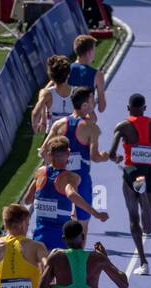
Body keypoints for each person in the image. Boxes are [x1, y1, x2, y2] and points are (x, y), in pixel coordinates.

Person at [107, 93, 151, 276]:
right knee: (149, 227)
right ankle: (144, 195)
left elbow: (111, 153)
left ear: (128, 108)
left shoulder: (122, 126)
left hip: (131, 173)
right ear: (145, 108)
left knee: (133, 218)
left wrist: (118, 158)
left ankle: (143, 261)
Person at [42, 87, 110, 242]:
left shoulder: (58, 125)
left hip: (59, 178)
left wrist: (55, 166)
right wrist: (106, 157)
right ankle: (78, 257)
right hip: (81, 180)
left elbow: (44, 151)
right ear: (85, 105)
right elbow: (95, 157)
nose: (94, 102)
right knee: (82, 224)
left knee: (59, 218)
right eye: (92, 100)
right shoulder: (91, 128)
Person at [29, 135, 108, 255]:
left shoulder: (40, 172)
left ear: (50, 155)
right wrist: (96, 214)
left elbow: (27, 199)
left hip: (40, 236)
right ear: (68, 153)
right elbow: (71, 194)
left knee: (42, 272)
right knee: (63, 272)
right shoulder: (71, 178)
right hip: (60, 238)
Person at [32, 55, 75, 134]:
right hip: (71, 135)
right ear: (68, 74)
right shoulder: (76, 92)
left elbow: (35, 114)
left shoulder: (47, 94)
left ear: (51, 75)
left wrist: (36, 126)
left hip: (52, 136)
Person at [68, 33, 107, 114]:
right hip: (84, 119)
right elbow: (101, 107)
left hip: (66, 115)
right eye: (94, 50)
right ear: (89, 52)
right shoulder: (98, 75)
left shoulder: (66, 69)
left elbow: (48, 89)